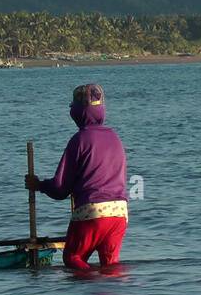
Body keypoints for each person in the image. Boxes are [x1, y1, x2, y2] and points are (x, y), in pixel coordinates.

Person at [25, 84, 128, 270]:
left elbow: (60, 188)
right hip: (119, 212)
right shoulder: (115, 138)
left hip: (93, 211)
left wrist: (39, 185)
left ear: (78, 112)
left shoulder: (79, 140)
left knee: (73, 257)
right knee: (110, 266)